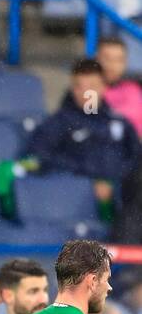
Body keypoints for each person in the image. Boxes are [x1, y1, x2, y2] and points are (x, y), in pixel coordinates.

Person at [26, 58, 141, 205]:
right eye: (79, 86)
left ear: (103, 87)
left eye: (92, 86)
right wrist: (87, 179)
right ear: (72, 88)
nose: (86, 93)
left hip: (123, 194)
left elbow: (137, 157)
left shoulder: (120, 122)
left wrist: (115, 181)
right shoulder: (59, 122)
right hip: (76, 196)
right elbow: (38, 155)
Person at [97, 36, 142, 137]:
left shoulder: (133, 90)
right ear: (96, 59)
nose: (112, 65)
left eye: (119, 60)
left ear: (125, 63)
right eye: (106, 58)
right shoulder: (84, 92)